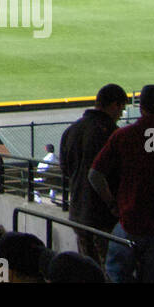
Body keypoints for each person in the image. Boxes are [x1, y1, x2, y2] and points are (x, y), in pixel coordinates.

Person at [89, 83, 154, 283]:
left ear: (140, 106)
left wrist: (112, 204)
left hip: (129, 221)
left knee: (116, 274)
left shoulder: (122, 135)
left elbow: (94, 174)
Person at [59, 83, 126, 266]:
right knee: (107, 269)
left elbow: (65, 170)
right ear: (114, 105)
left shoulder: (71, 130)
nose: (121, 114)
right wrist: (113, 204)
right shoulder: (113, 134)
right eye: (122, 108)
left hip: (78, 213)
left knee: (87, 268)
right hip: (103, 216)